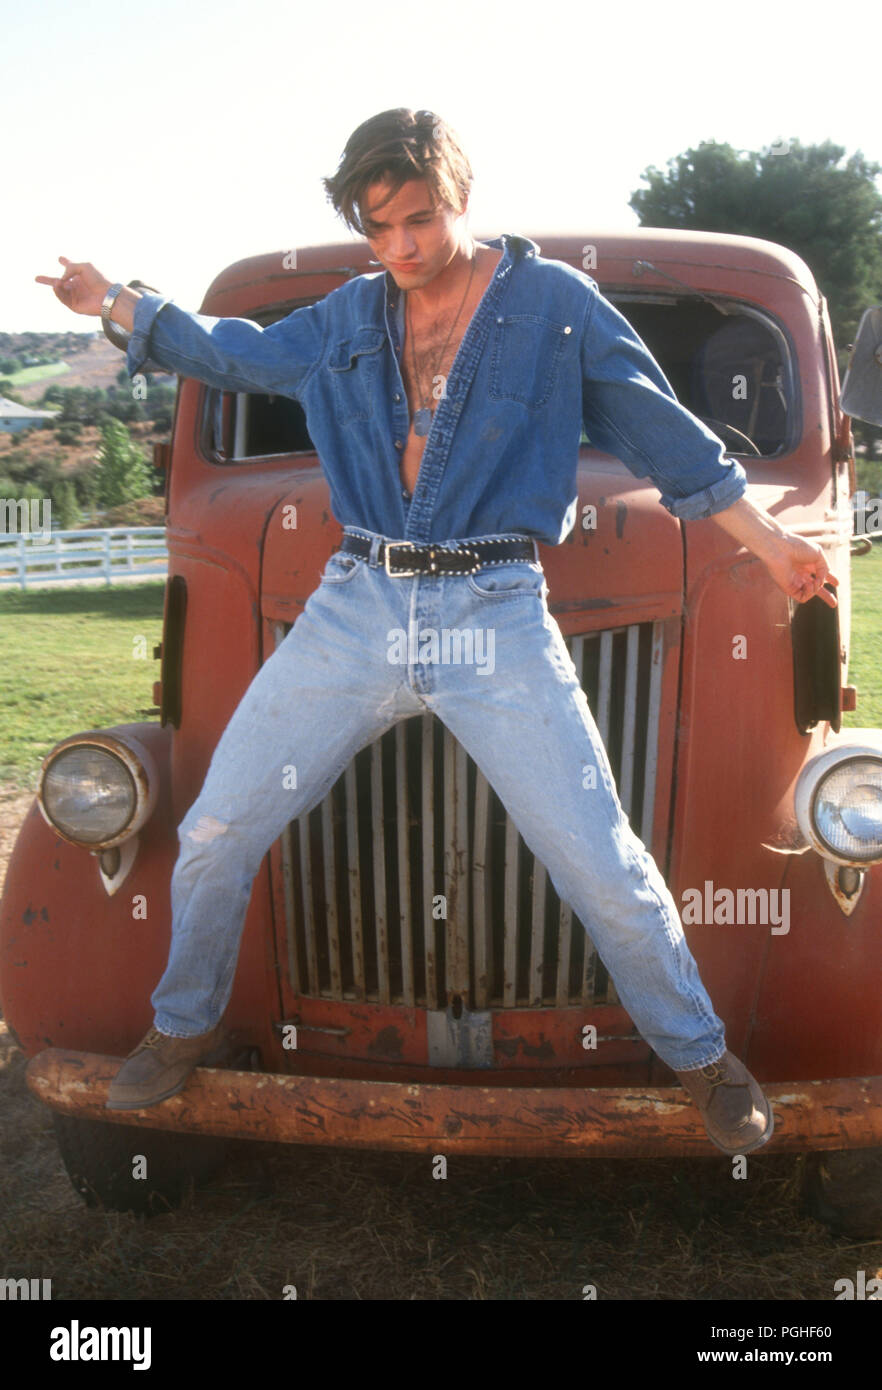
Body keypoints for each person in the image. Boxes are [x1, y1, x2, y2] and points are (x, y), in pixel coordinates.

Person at [37, 107, 836, 1155]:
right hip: (355, 605)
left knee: (599, 856)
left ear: (459, 195)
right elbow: (233, 354)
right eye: (378, 228)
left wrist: (769, 542)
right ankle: (181, 1026)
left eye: (418, 220)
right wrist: (119, 306)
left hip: (493, 609)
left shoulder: (555, 307)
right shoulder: (350, 314)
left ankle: (700, 1056)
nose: (400, 248)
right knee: (216, 830)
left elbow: (663, 429)